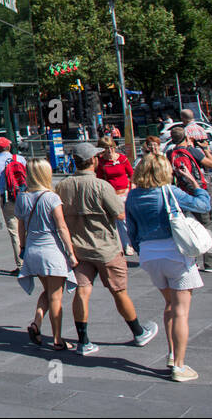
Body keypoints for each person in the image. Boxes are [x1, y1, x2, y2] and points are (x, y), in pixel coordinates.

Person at [55, 143, 158, 356]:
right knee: (118, 290)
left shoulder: (63, 186)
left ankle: (83, 341)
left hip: (78, 248)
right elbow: (120, 213)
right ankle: (138, 332)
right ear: (93, 160)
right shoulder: (101, 186)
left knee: (82, 291)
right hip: (105, 247)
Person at [125, 153, 212, 382]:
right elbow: (203, 205)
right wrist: (195, 183)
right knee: (181, 311)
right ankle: (179, 366)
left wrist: (142, 250)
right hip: (175, 254)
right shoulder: (169, 191)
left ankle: (173, 354)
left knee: (170, 305)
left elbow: (131, 232)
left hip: (150, 255)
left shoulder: (133, 196)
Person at [16, 159, 78, 351]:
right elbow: (61, 227)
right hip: (52, 252)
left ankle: (37, 322)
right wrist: (71, 253)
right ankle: (58, 340)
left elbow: (20, 227)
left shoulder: (22, 197)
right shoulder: (52, 198)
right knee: (55, 297)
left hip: (33, 251)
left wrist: (23, 247)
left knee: (49, 292)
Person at [167, 125, 212, 273]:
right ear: (186, 137)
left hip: (181, 193)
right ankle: (210, 262)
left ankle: (192, 260)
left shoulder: (169, 152)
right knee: (207, 224)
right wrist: (204, 148)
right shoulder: (192, 151)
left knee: (189, 225)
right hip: (198, 190)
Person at [0, 136, 24, 274]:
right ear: (9, 147)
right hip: (24, 197)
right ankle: (34, 263)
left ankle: (21, 266)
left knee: (15, 233)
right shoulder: (19, 159)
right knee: (28, 229)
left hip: (8, 198)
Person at [95, 135, 136, 256]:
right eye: (106, 148)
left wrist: (132, 187)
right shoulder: (101, 162)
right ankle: (126, 244)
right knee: (120, 221)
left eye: (111, 147)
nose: (109, 150)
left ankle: (133, 242)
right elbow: (100, 179)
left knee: (130, 219)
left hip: (127, 192)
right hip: (113, 195)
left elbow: (131, 174)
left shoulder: (122, 158)